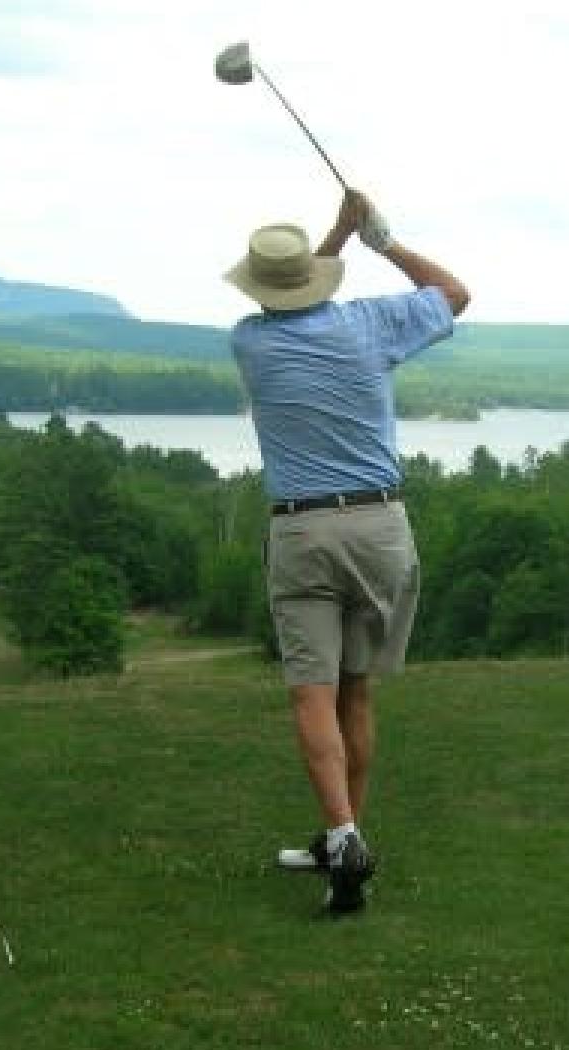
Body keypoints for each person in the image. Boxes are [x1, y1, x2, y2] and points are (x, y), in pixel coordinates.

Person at [225, 189, 470, 915]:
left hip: (302, 534)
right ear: (320, 279)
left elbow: (290, 302)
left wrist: (334, 239)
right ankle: (344, 846)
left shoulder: (251, 340)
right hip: (381, 528)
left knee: (312, 692)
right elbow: (454, 294)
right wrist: (380, 239)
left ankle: (342, 835)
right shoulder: (369, 327)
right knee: (355, 690)